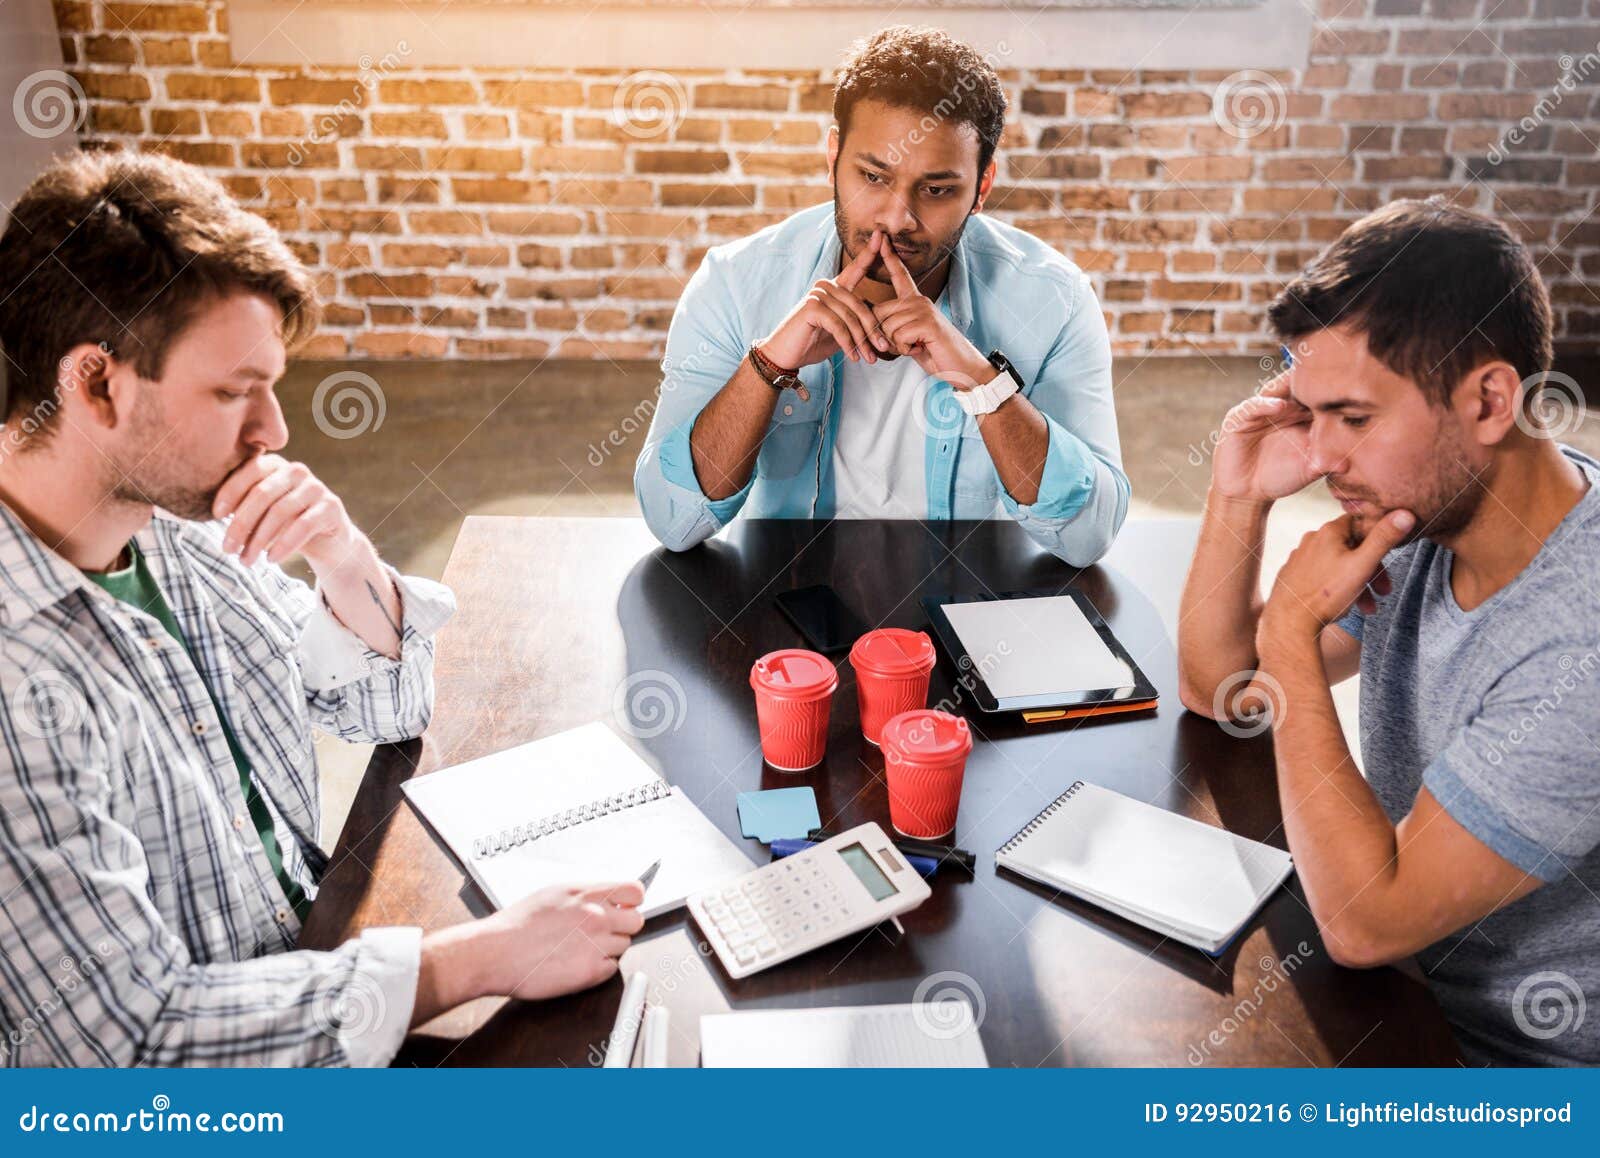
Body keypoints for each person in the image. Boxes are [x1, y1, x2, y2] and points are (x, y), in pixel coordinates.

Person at [0, 150, 644, 1066]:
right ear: (97, 382)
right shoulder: (16, 678)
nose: (275, 433)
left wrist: (343, 560)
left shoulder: (178, 528)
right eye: (233, 393)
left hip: (318, 968)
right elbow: (129, 1047)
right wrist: (481, 961)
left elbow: (386, 707)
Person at [1177, 197, 1599, 1065]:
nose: (1323, 457)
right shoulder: (1438, 511)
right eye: (1309, 409)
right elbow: (1217, 688)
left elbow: (1365, 922)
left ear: (1488, 400)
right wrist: (1239, 494)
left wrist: (1292, 630)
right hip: (1398, 993)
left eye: (1354, 418)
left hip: (1499, 1069)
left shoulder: (1578, 641)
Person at [635, 25, 1127, 565]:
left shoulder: (1054, 298)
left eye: (937, 190)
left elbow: (1088, 538)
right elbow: (673, 519)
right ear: (832, 158)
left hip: (967, 618)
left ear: (981, 188)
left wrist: (982, 383)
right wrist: (769, 365)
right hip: (795, 621)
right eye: (873, 176)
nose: (897, 218)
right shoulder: (734, 284)